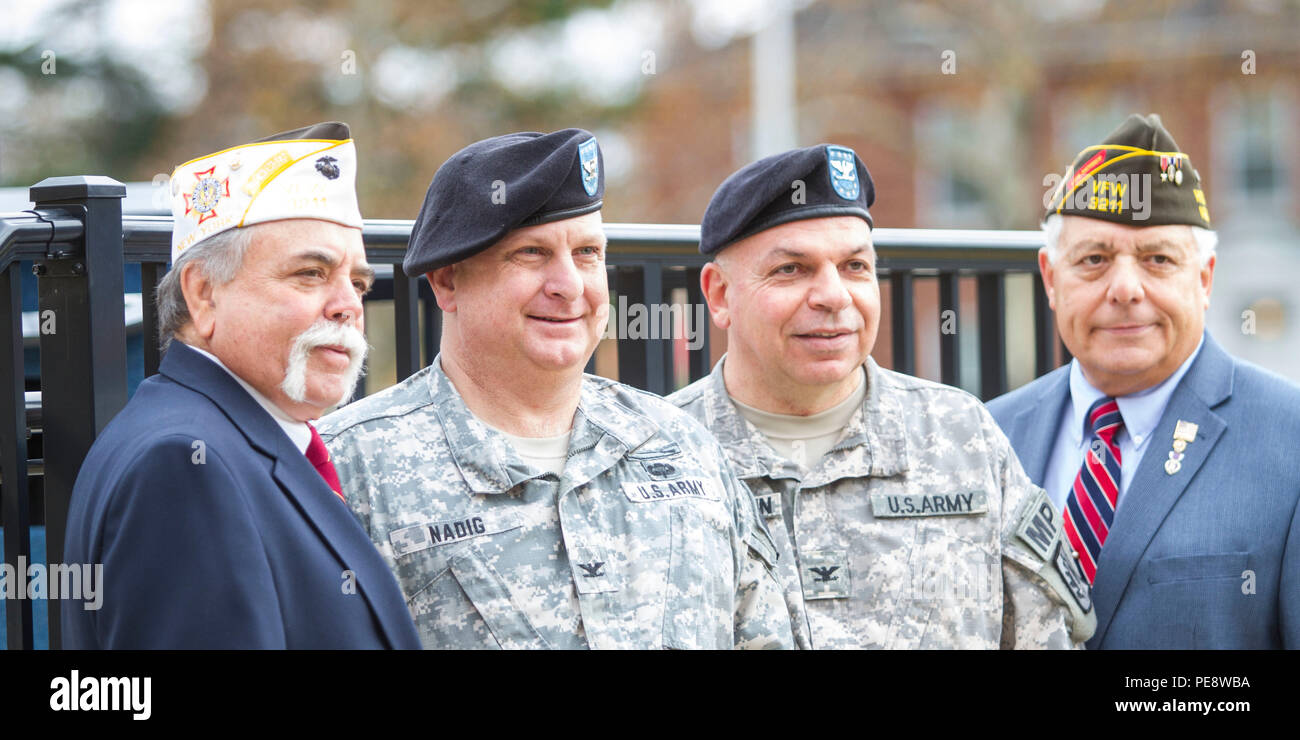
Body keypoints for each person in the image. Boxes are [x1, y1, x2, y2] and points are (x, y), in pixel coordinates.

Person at [318, 129, 792, 649]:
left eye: (587, 253)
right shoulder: (347, 468)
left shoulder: (682, 447)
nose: (569, 286)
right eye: (531, 253)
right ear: (448, 281)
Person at [668, 144, 1093, 649]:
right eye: (792, 269)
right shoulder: (659, 458)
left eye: (854, 266)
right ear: (720, 295)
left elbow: (1046, 635)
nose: (834, 296)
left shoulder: (961, 436)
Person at [62, 122, 421, 649]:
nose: (348, 305)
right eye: (311, 273)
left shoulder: (216, 438)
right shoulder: (184, 464)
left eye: (359, 283)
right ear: (204, 294)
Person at [988, 113, 1300, 649]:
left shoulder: (1289, 440)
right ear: (1051, 278)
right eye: (1094, 259)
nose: (1126, 289)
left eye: (1157, 259)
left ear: (1204, 279)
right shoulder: (989, 435)